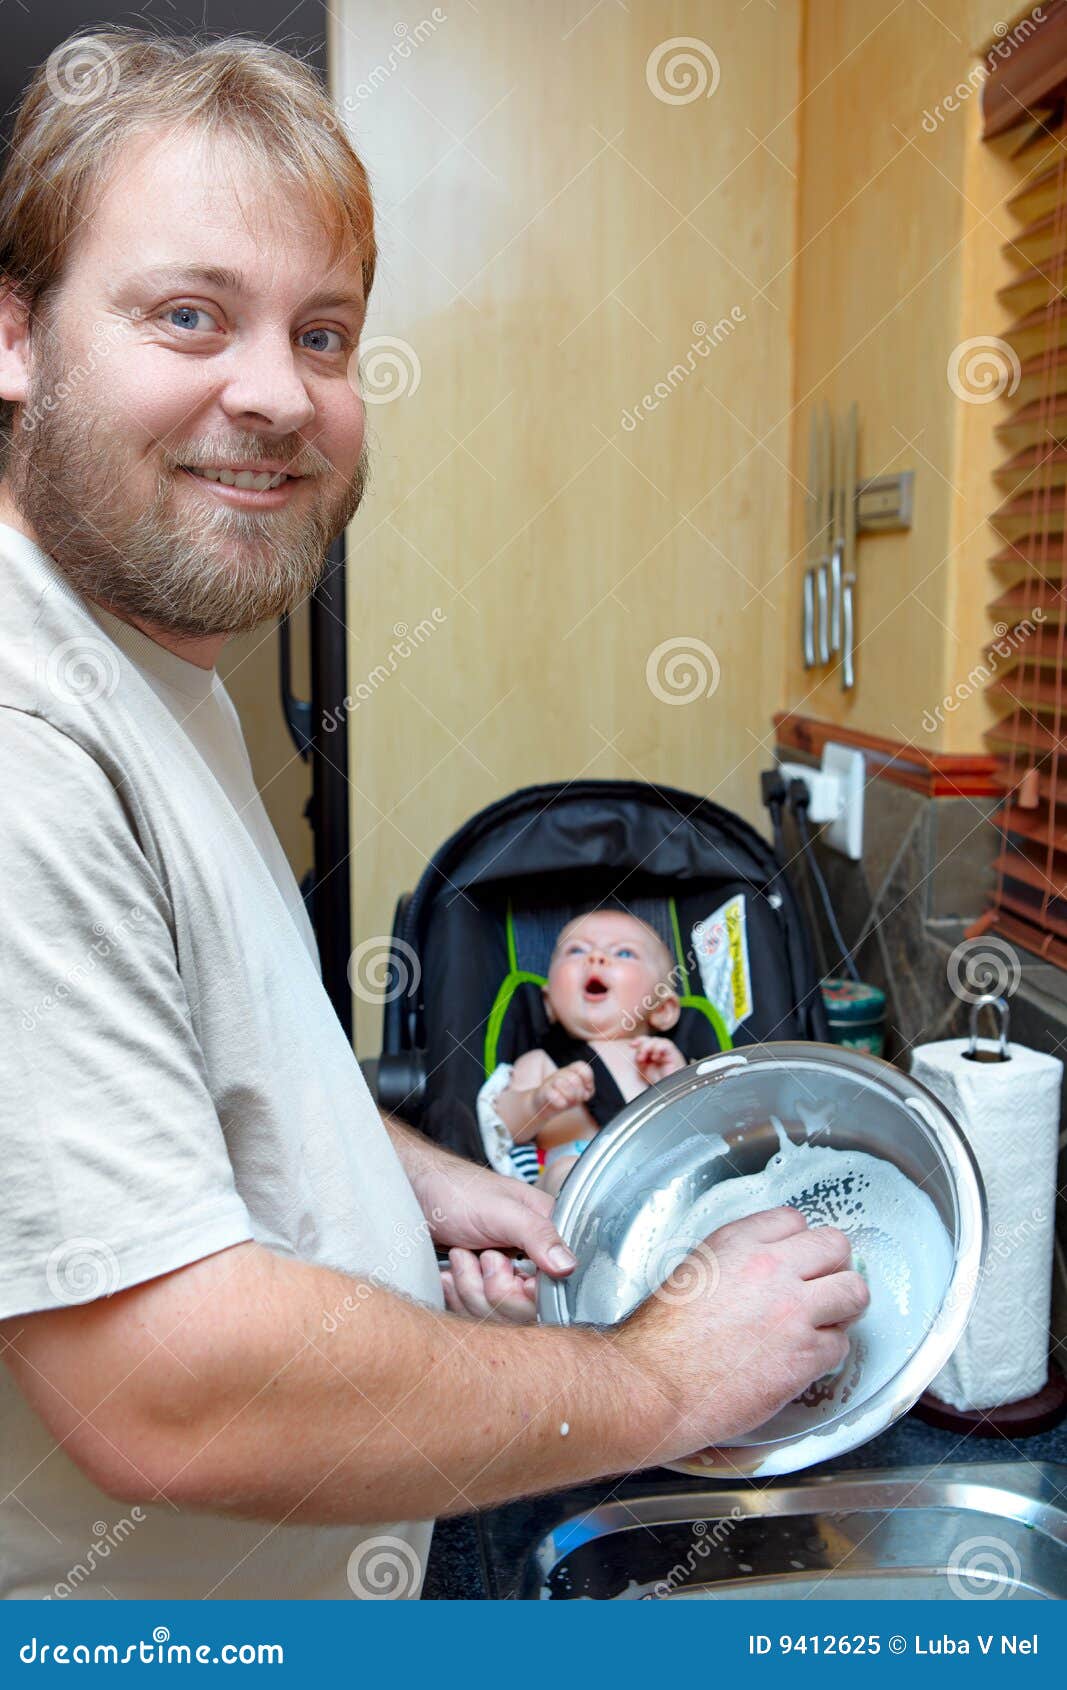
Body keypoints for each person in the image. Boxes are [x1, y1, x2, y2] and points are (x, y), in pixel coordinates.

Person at [0, 28, 869, 1601]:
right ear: (14, 333)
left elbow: (177, 1094)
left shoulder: (145, 661)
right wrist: (671, 1371)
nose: (273, 393)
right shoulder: (22, 744)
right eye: (188, 313)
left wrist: (411, 1184)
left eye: (321, 333)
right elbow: (159, 1382)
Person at [479, 909, 688, 1196]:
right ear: (549, 1002)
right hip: (573, 1177)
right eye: (576, 950)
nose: (596, 958)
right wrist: (540, 1100)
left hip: (662, 1177)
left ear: (663, 1010)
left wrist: (676, 1082)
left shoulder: (668, 1060)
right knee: (565, 1170)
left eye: (624, 953)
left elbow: (709, 1129)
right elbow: (502, 1127)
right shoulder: (541, 1062)